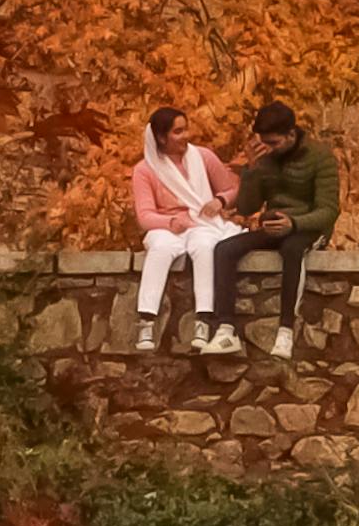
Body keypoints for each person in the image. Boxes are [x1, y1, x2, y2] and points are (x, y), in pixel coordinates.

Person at [227, 97, 339, 357]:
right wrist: (252, 169)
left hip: (309, 226)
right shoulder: (264, 158)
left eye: (273, 143)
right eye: (263, 143)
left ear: (290, 135)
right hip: (274, 225)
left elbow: (329, 211)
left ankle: (286, 329)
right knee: (225, 249)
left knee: (292, 249)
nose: (268, 148)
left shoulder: (321, 156)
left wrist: (295, 223)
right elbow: (246, 208)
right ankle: (224, 328)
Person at [129, 108, 244, 355]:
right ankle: (146, 321)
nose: (185, 136)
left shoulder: (203, 157)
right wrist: (170, 223)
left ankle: (203, 320)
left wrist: (219, 202)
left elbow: (232, 188)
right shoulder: (145, 170)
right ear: (161, 138)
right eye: (177, 131)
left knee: (204, 246)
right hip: (166, 225)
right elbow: (145, 216)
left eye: (185, 129)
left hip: (201, 222)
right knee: (160, 249)